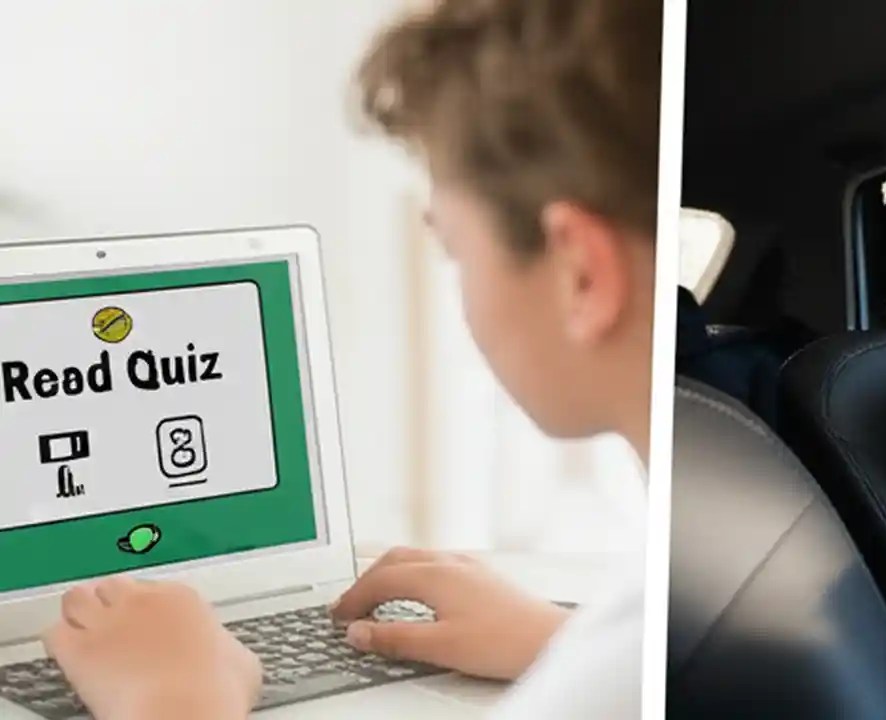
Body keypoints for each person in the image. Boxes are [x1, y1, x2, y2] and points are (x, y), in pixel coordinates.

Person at [39, 0, 660, 718]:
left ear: (581, 272)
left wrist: (174, 698)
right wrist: (563, 642)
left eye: (455, 249)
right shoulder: (646, 638)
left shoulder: (623, 664)